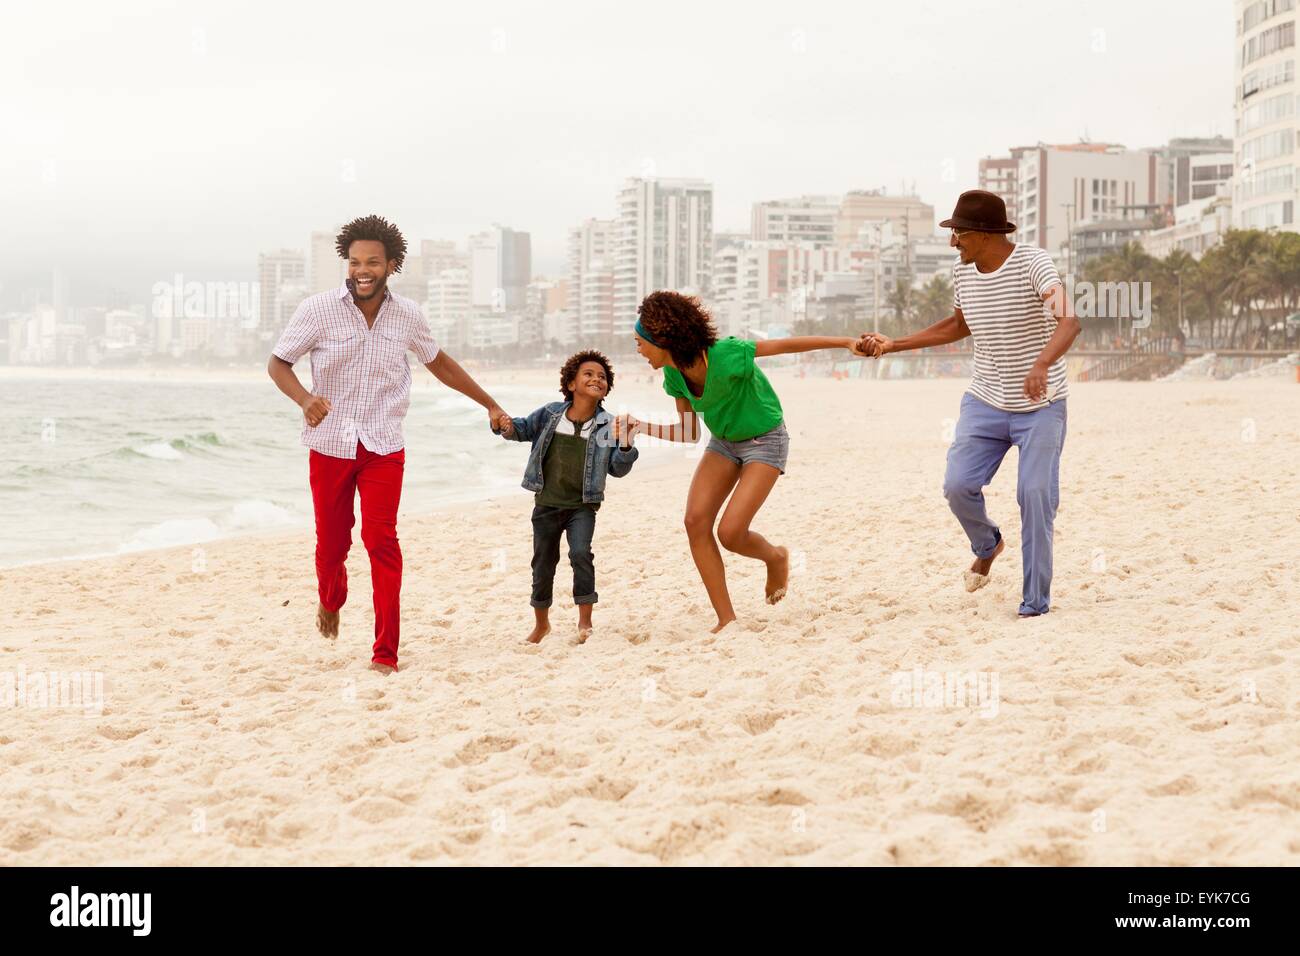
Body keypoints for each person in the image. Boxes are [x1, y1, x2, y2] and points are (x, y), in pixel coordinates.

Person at [268, 214, 509, 672]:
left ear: (391, 265)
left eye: (373, 262)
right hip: (330, 446)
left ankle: (385, 653)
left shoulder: (408, 316)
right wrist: (304, 399)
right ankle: (331, 600)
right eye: (355, 261)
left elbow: (441, 364)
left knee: (382, 541)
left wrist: (490, 404)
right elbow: (278, 363)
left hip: (383, 446)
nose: (362, 270)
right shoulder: (317, 310)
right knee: (332, 547)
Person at [860, 189, 1081, 617]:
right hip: (985, 399)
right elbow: (958, 325)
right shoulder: (963, 275)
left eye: (957, 232)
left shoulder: (1034, 264)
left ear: (982, 233)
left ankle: (1034, 603)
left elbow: (1069, 320)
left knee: (1034, 495)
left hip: (1042, 404)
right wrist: (894, 344)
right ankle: (988, 545)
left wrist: (1041, 364)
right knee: (957, 486)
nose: (952, 241)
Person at [626, 291, 868, 632]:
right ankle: (726, 618)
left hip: (765, 441)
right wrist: (641, 427)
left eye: (640, 342)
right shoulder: (673, 374)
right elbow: (688, 433)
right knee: (695, 521)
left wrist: (846, 342)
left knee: (730, 533)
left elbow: (787, 346)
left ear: (661, 339)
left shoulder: (727, 353)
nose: (637, 350)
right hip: (723, 444)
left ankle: (776, 558)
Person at [496, 351, 639, 645]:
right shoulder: (550, 415)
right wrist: (505, 425)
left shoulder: (607, 426)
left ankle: (585, 622)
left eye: (602, 377)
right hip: (547, 504)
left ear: (606, 388)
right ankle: (541, 625)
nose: (596, 379)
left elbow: (616, 469)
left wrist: (625, 445)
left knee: (580, 554)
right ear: (571, 383)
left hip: (582, 506)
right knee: (543, 563)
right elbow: (521, 430)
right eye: (588, 374)